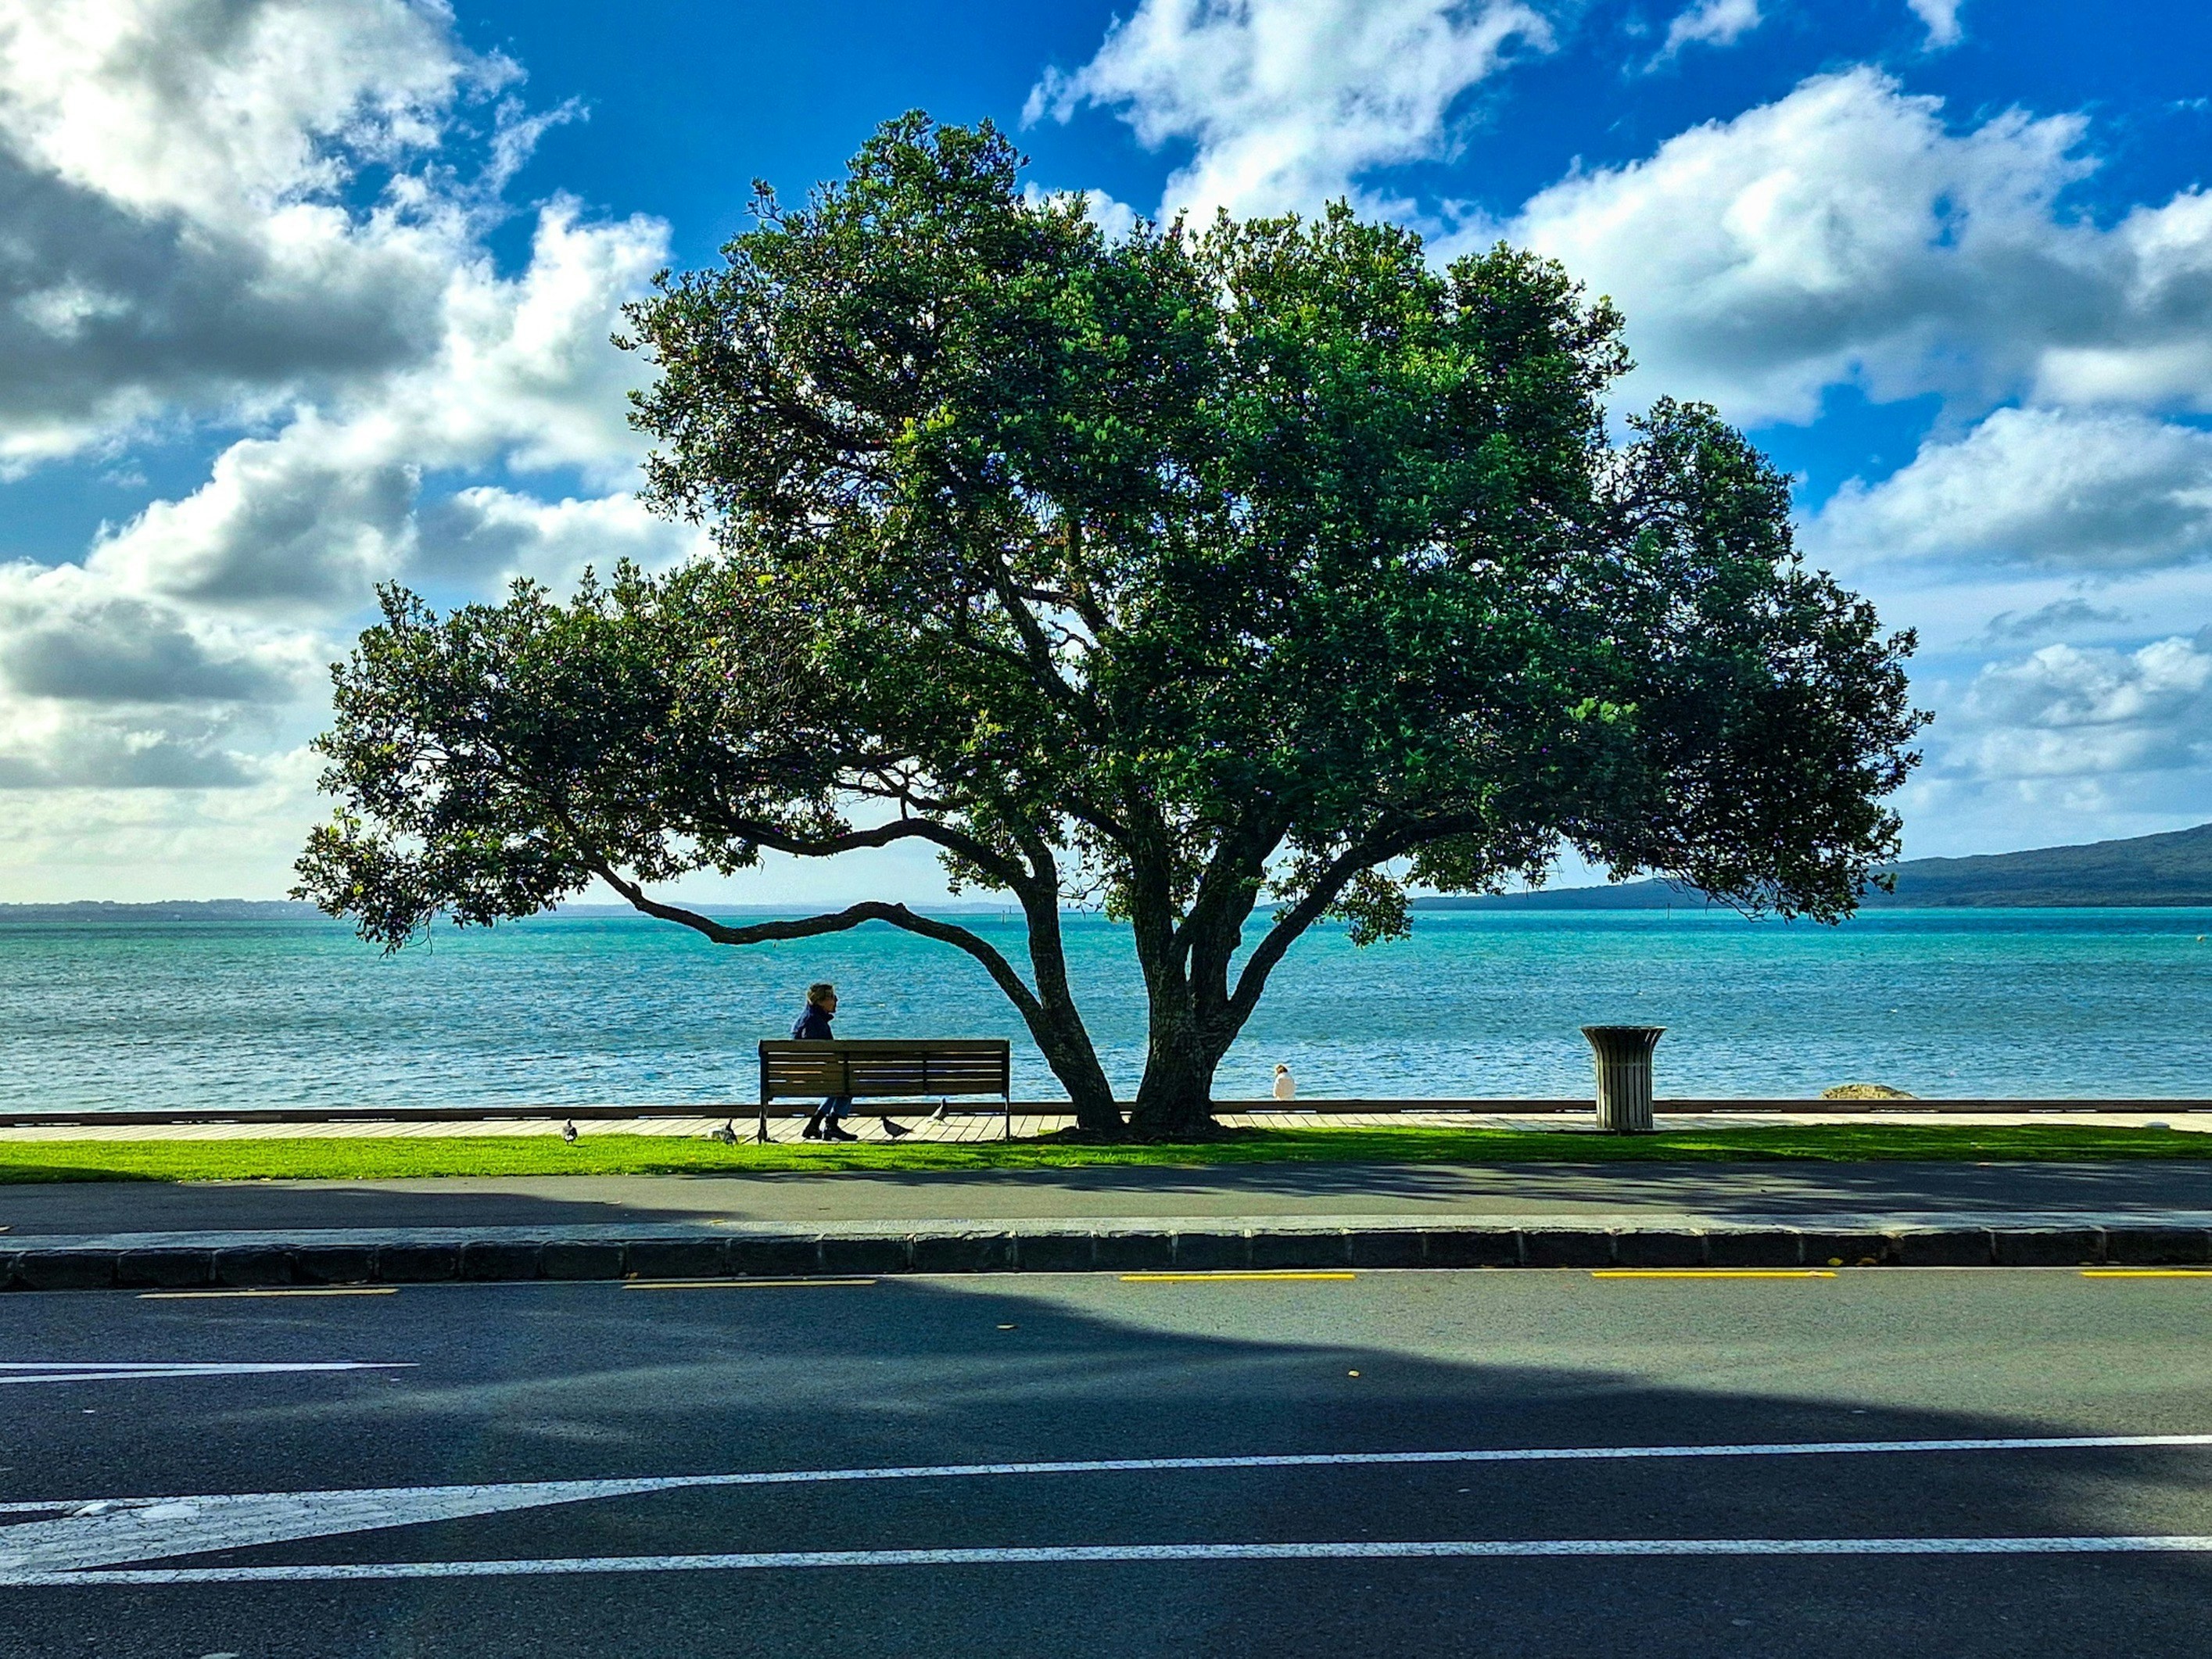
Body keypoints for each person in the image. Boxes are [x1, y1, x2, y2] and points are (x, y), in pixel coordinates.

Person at [793, 983, 909, 1141]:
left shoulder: (807, 1020)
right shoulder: (814, 1023)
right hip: (815, 1075)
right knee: (848, 1081)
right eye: (832, 997)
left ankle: (818, 1123)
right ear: (820, 1001)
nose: (837, 1000)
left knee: (844, 1078)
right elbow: (820, 1056)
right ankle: (830, 1125)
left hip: (805, 1074)